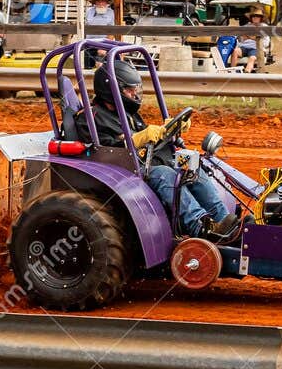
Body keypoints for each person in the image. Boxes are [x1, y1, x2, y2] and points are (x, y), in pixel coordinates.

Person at [81, 57, 236, 241]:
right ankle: (200, 227)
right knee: (165, 174)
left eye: (135, 90)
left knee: (191, 165)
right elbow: (105, 150)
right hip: (124, 172)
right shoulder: (90, 118)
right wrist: (138, 138)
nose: (134, 95)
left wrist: (168, 130)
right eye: (129, 90)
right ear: (110, 90)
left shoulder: (127, 113)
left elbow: (150, 136)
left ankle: (223, 221)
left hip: (148, 162)